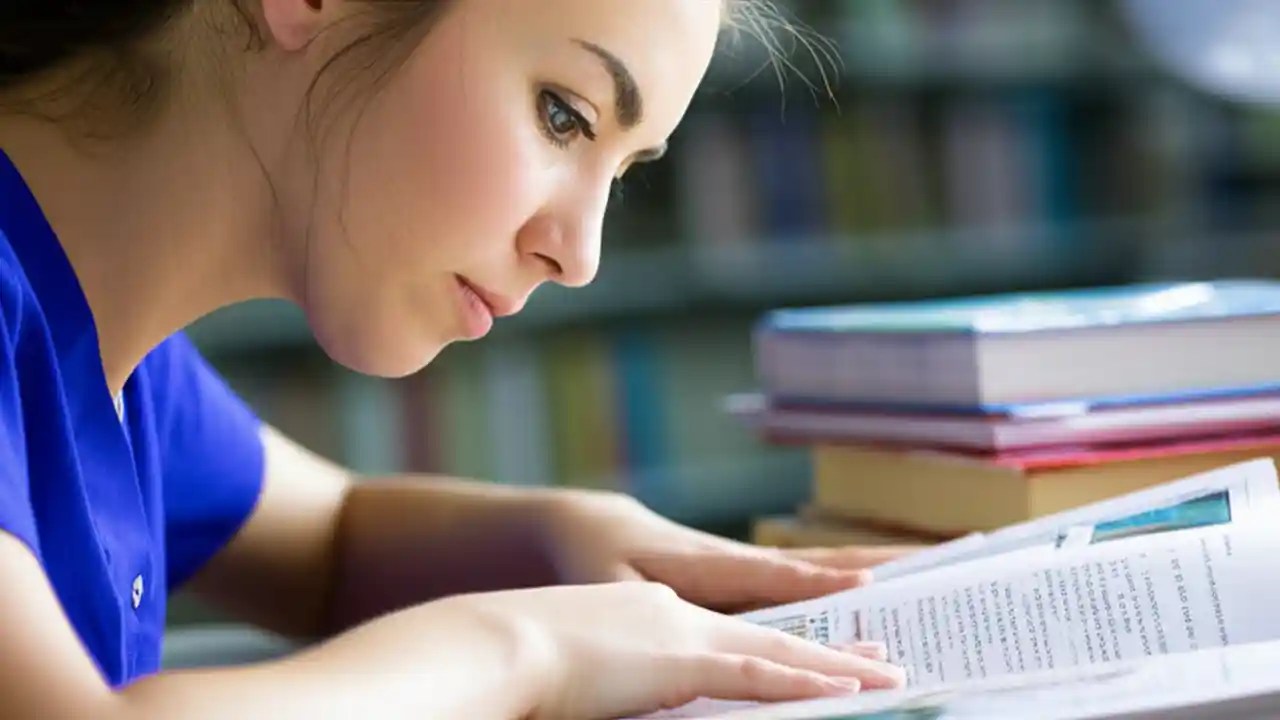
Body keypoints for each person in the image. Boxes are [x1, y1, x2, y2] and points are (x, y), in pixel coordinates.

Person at [0, 1, 912, 718]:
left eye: (625, 172)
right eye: (564, 116)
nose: (581, 257)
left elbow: (330, 541)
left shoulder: (124, 359)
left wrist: (566, 538)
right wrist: (527, 651)